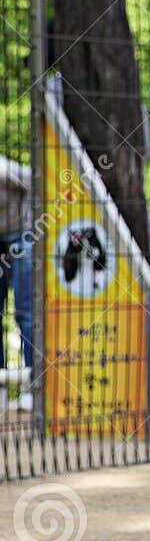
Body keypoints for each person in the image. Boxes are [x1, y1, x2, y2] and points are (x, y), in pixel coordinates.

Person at [0, 153, 35, 412]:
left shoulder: (5, 170)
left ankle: (32, 386)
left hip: (19, 234)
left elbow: (36, 183)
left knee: (25, 311)